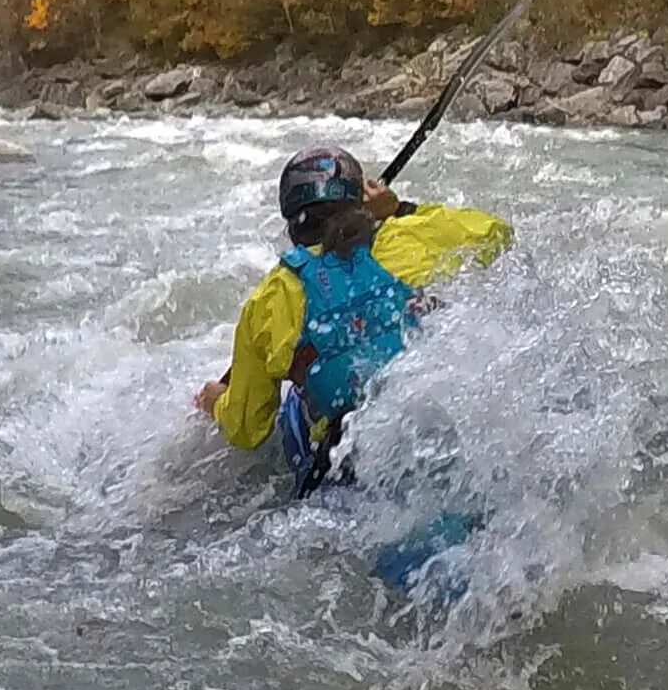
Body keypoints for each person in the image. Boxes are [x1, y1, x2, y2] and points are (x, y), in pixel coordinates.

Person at [195, 144, 511, 480]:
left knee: (296, 410)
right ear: (360, 203)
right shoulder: (407, 239)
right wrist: (399, 209)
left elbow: (248, 430)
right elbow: (497, 233)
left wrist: (216, 402)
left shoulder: (271, 298)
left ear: (292, 220)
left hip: (347, 466)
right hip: (435, 435)